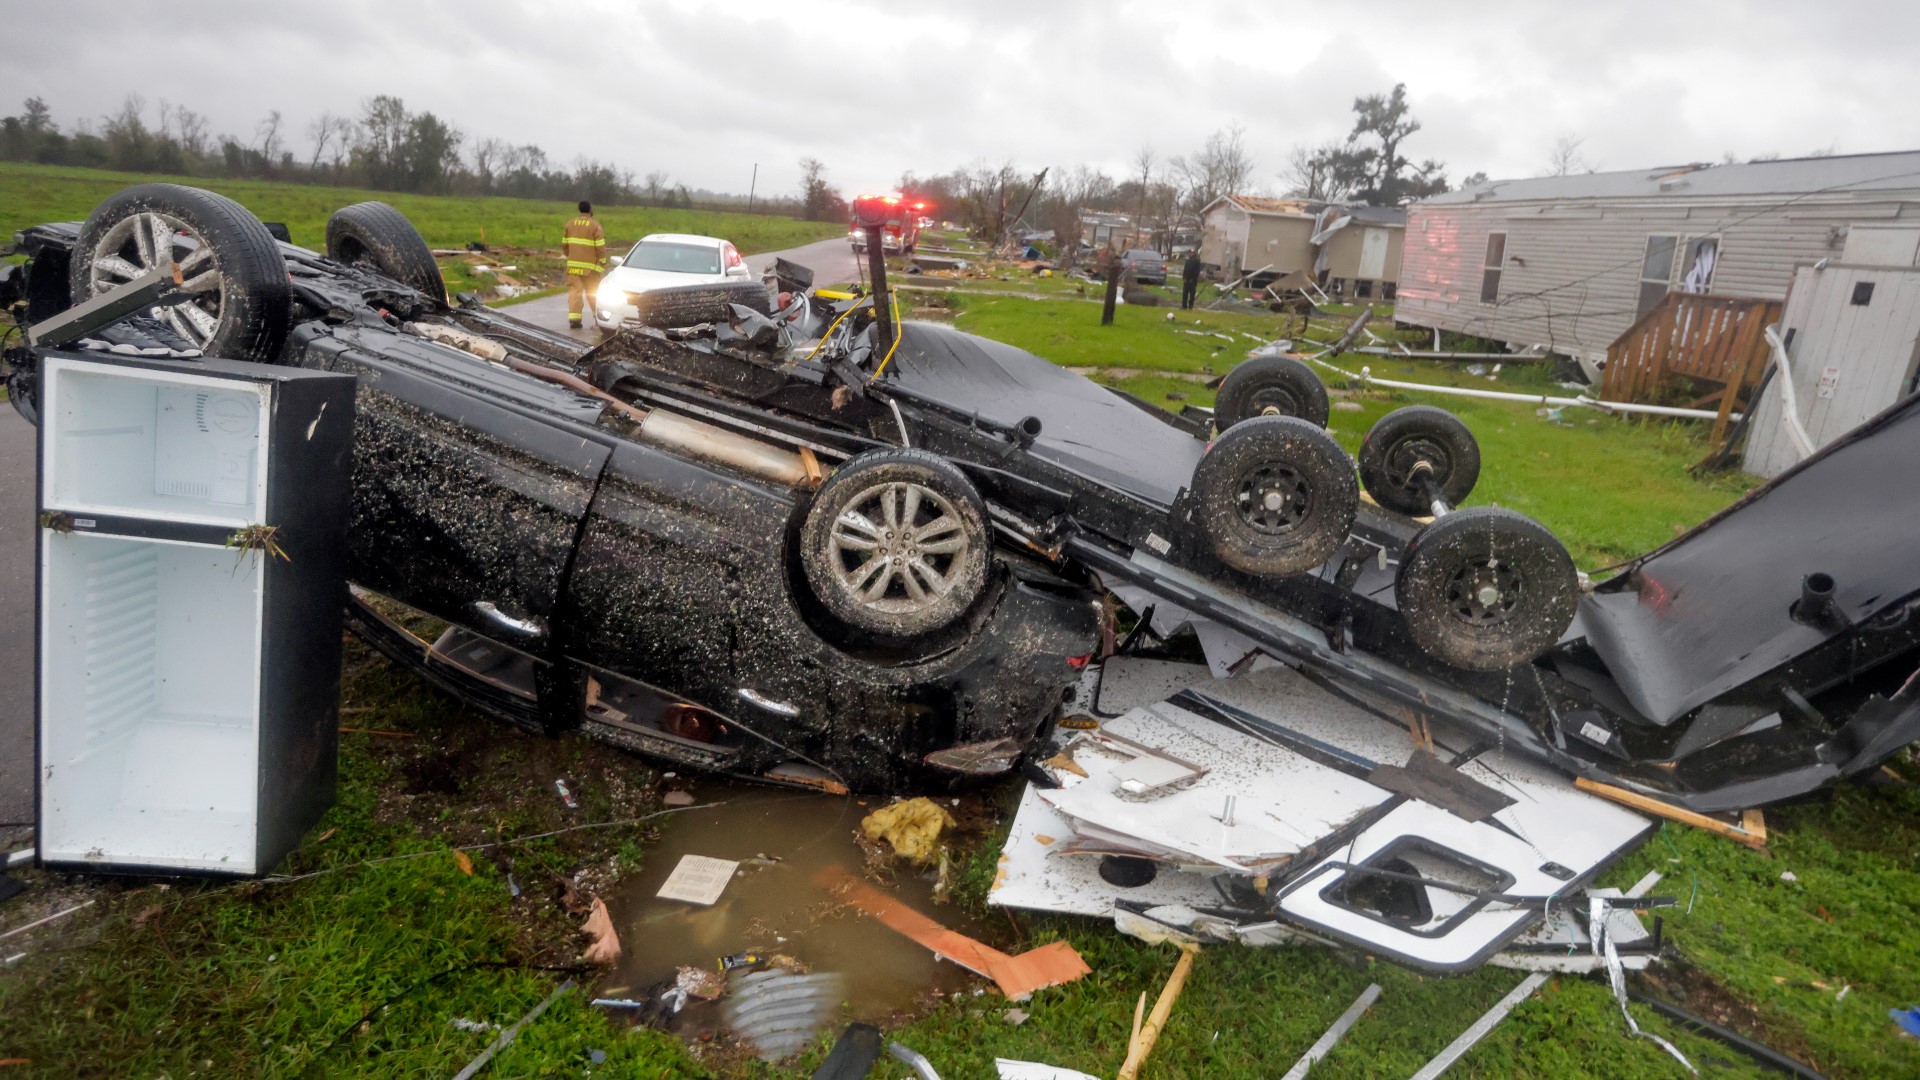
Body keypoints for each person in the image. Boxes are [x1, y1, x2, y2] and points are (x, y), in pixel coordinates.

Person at [562, 200, 607, 330]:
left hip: (573, 266)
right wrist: (602, 262)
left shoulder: (570, 224)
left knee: (575, 292)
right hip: (590, 268)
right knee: (593, 293)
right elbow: (600, 247)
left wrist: (571, 256)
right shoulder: (595, 225)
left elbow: (564, 245)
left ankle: (574, 320)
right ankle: (599, 320)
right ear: (590, 210)